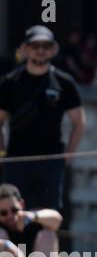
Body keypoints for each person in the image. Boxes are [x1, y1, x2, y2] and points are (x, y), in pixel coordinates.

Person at [0, 25, 86, 214]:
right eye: (35, 45)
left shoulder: (65, 82)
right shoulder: (10, 82)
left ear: (53, 49)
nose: (40, 50)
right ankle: (20, 247)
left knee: (47, 218)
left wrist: (68, 155)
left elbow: (79, 123)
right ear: (25, 49)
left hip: (51, 160)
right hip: (16, 160)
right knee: (14, 216)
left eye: (46, 46)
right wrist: (2, 152)